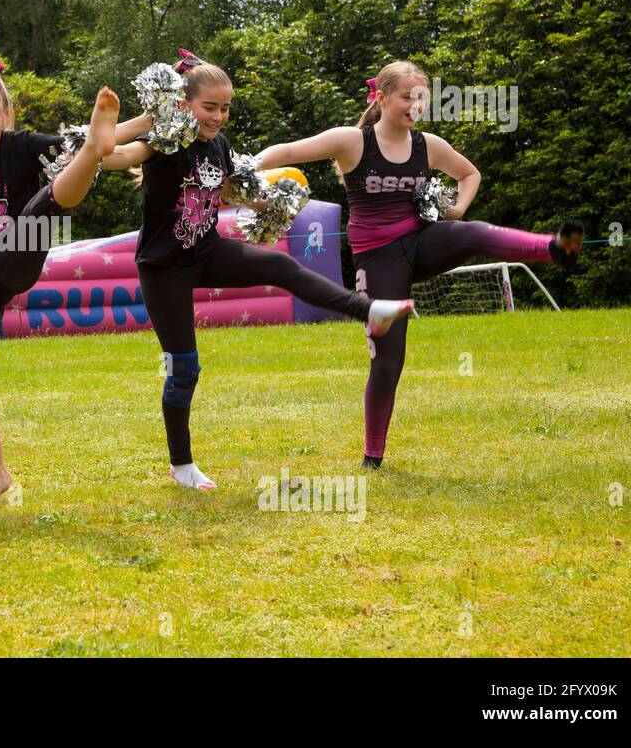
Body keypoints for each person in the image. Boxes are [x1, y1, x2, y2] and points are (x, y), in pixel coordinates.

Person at [101, 52, 414, 491]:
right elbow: (109, 155)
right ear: (183, 103)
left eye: (225, 107)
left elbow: (236, 193)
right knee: (185, 368)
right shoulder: (163, 139)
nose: (218, 116)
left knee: (280, 264)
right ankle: (181, 463)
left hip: (207, 252)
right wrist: (142, 118)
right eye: (209, 107)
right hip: (164, 267)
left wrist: (280, 198)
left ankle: (368, 311)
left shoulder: (219, 147)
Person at [255, 59, 583, 468]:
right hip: (378, 261)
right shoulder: (354, 141)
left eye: (421, 98)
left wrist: (457, 209)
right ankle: (373, 456)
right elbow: (288, 151)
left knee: (475, 232)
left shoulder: (428, 144)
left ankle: (553, 249)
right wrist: (249, 170)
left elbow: (469, 174)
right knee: (388, 360)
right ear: (381, 97)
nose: (415, 105)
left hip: (423, 242)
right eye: (406, 97)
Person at [0, 55, 119, 504]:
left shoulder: (21, 145)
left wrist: (138, 125)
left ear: (6, 117)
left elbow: (105, 143)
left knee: (42, 204)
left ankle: (93, 149)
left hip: (20, 250)